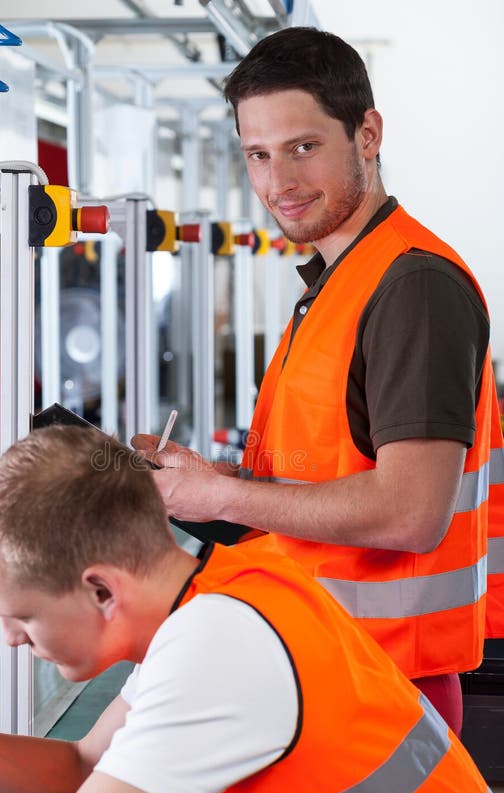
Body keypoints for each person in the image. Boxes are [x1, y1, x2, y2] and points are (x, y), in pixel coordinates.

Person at [0, 424, 502, 793]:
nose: (9, 639)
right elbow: (80, 776)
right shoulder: (220, 595)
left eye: (23, 616)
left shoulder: (217, 646)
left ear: (102, 590)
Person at [132, 26, 504, 737]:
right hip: (330, 661)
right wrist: (215, 481)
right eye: (258, 156)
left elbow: (410, 512)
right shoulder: (340, 282)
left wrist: (222, 493)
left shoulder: (413, 284)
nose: (279, 184)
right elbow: (326, 477)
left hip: (387, 685)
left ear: (367, 134)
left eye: (303, 148)